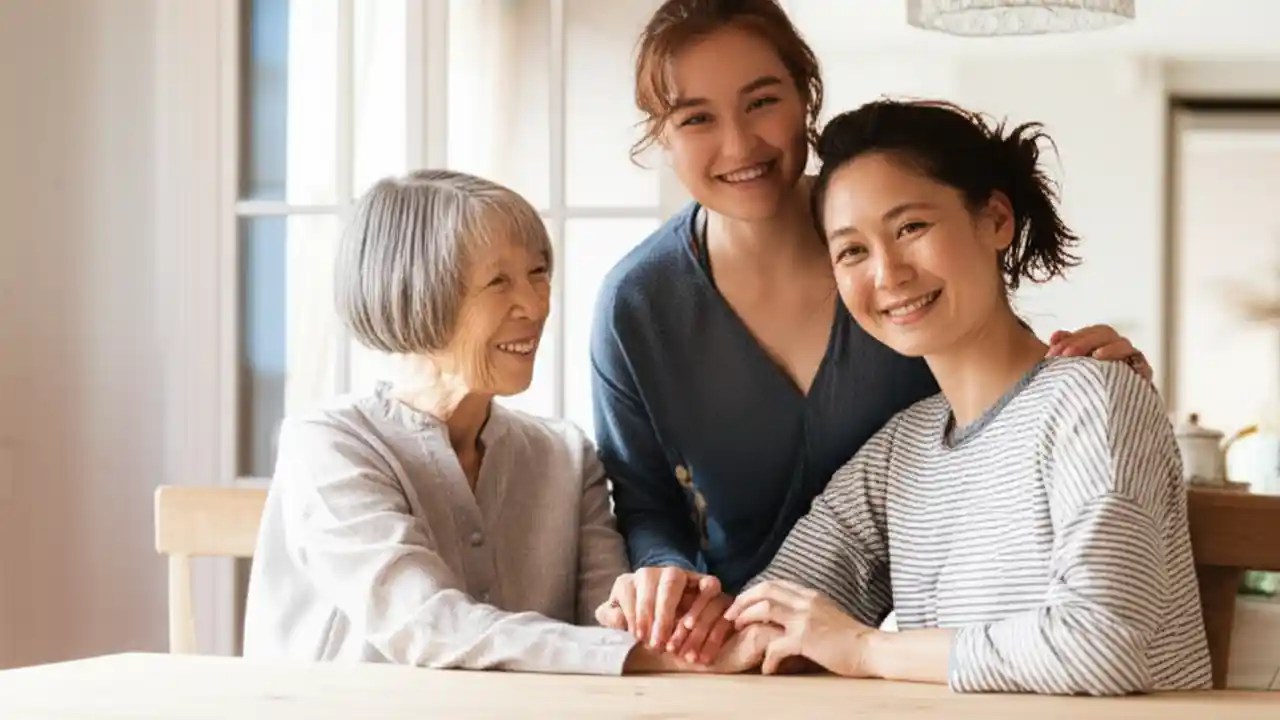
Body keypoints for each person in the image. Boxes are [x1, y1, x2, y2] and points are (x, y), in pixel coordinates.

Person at [591, 0, 1150, 665]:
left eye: (762, 101)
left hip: (901, 665)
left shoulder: (1065, 394)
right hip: (776, 664)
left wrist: (1099, 386)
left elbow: (1005, 393)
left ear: (807, 99)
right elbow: (650, 507)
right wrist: (684, 610)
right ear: (661, 136)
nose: (739, 144)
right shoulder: (639, 306)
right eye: (696, 118)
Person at [721, 99, 1212, 695]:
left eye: (911, 228)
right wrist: (673, 605)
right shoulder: (900, 451)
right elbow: (768, 620)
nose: (888, 273)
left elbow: (1101, 643)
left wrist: (864, 648)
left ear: (996, 220)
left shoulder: (1096, 397)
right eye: (852, 250)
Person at [241, 169, 772, 675]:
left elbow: (608, 625)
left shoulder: (565, 454)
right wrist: (641, 654)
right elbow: (426, 626)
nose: (535, 304)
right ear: (415, 293)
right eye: (499, 281)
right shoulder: (328, 445)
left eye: (538, 272)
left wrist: (672, 625)